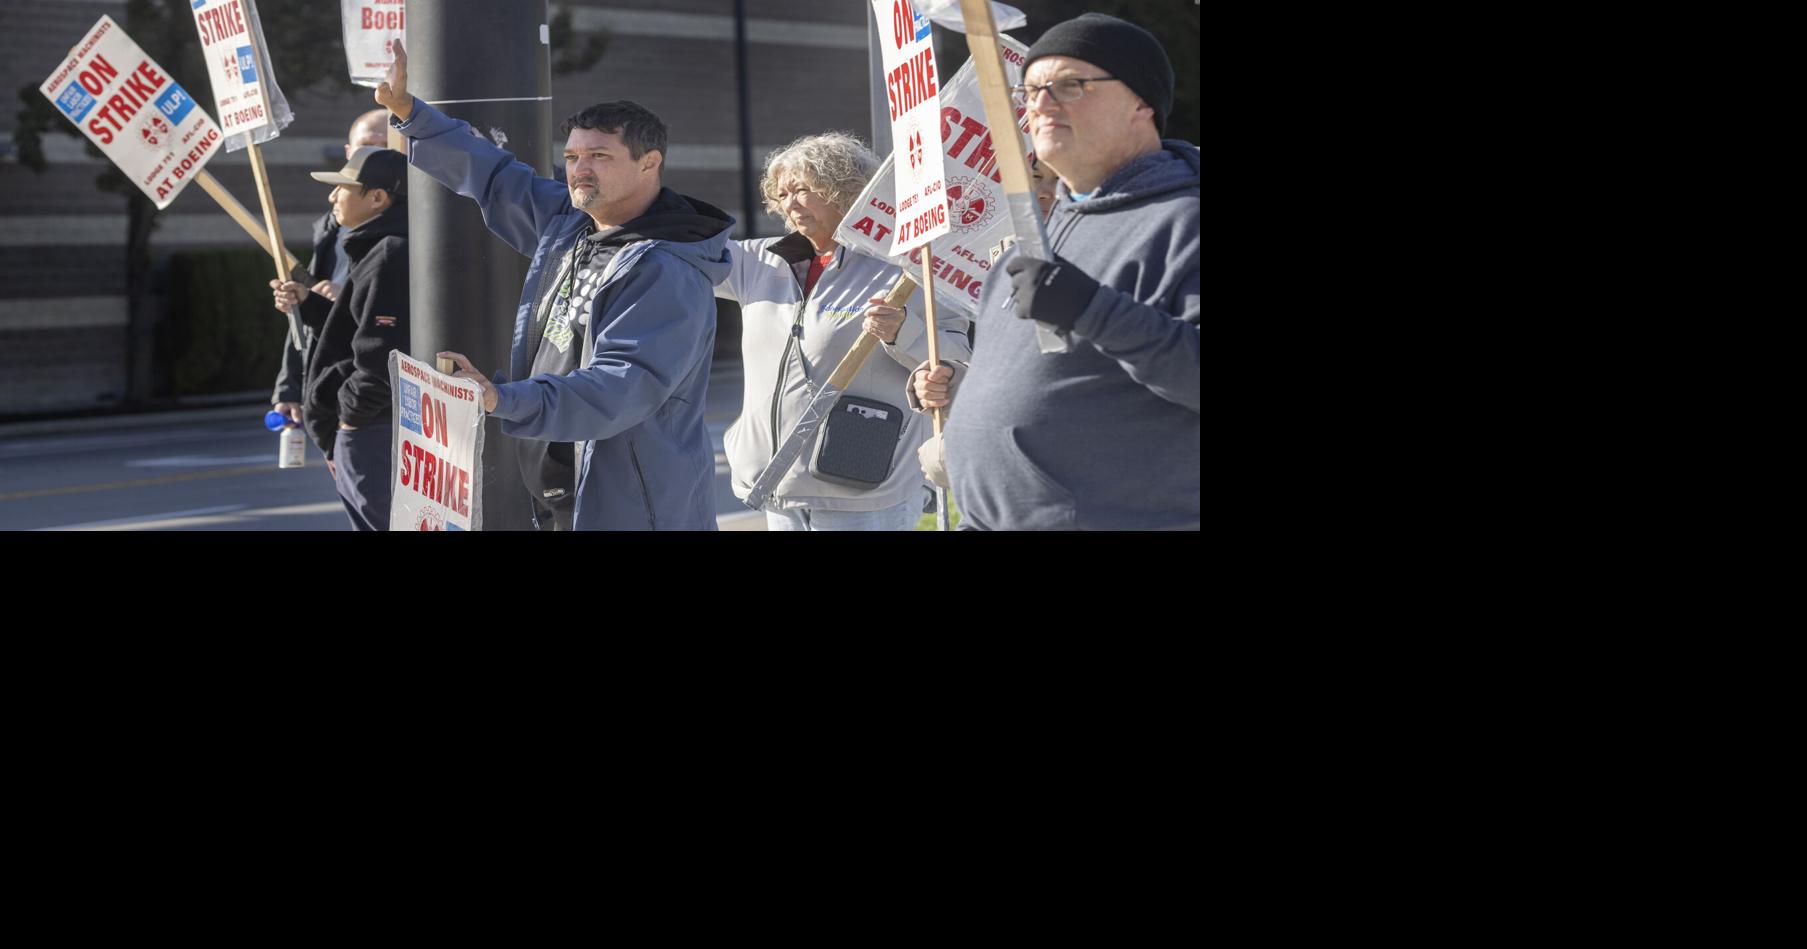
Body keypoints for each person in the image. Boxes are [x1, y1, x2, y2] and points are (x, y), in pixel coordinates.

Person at [376, 42, 732, 530]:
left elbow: (618, 386)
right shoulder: (572, 223)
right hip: (562, 495)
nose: (579, 169)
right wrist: (410, 114)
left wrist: (505, 400)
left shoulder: (666, 269)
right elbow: (495, 176)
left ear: (649, 163)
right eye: (572, 156)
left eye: (600, 156)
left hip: (633, 506)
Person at [911, 13, 1199, 530]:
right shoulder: (1029, 239)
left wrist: (1092, 310)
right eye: (1032, 89)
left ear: (1142, 103)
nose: (1040, 104)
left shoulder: (1184, 223)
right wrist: (959, 388)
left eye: (1071, 85)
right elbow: (1051, 380)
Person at [717, 132, 970, 531]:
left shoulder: (907, 265)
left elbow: (958, 362)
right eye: (782, 194)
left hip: (863, 486)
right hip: (773, 481)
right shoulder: (759, 261)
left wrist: (903, 332)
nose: (790, 203)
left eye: (803, 189)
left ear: (845, 190)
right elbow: (684, 257)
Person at [270, 146, 410, 531]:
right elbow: (356, 325)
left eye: (343, 187)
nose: (332, 197)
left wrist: (350, 421)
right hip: (370, 426)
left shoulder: (390, 253)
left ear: (377, 198)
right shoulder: (381, 248)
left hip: (373, 429)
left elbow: (382, 354)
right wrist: (310, 304)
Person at [270, 110, 391, 437]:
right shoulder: (331, 226)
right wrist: (290, 387)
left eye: (388, 144)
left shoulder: (404, 234)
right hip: (333, 390)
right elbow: (307, 311)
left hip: (374, 400)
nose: (378, 153)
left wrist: (349, 301)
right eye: (367, 145)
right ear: (349, 153)